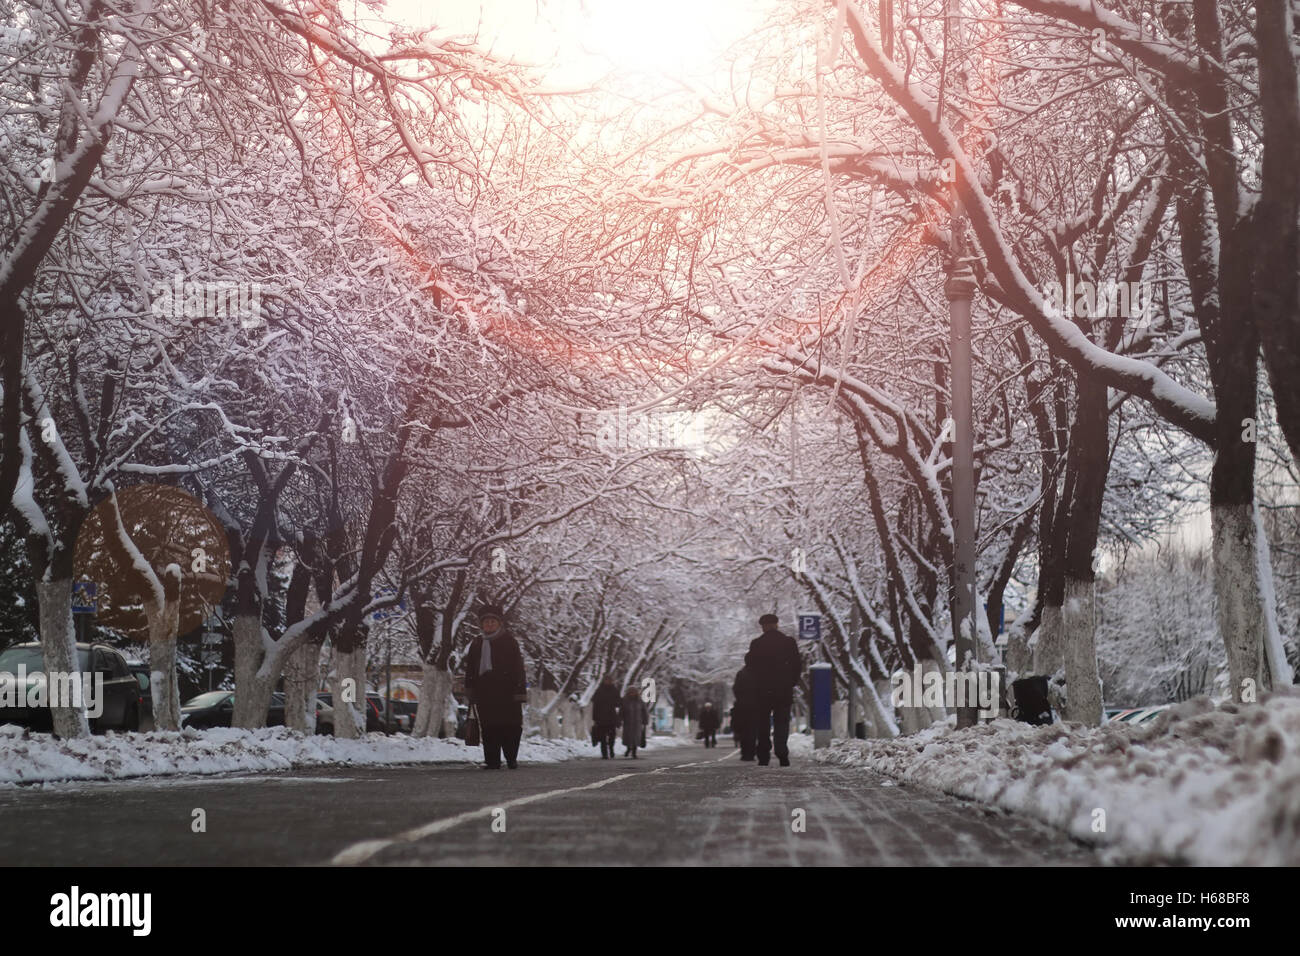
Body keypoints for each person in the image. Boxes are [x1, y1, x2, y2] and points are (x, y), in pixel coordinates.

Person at [463, 603, 527, 770]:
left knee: (510, 727)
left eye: (493, 621)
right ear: (482, 624)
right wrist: (470, 690)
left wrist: (519, 692)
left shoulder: (509, 641)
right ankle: (492, 761)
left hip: (507, 693)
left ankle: (511, 758)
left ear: (499, 623)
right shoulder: (477, 643)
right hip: (485, 693)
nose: (489, 624)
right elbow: (470, 668)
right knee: (489, 727)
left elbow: (518, 667)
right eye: (486, 622)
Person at [744, 613, 801, 766]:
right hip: (783, 690)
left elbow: (749, 666)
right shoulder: (788, 642)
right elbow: (797, 664)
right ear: (777, 624)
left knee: (762, 722)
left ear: (763, 626)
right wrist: (791, 682)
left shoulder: (756, 644)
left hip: (762, 691)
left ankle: (763, 755)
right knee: (781, 721)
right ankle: (782, 752)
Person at [591, 674, 621, 759]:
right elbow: (595, 704)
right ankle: (604, 753)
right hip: (601, 717)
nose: (608, 682)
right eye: (606, 680)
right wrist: (595, 717)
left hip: (611, 717)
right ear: (604, 681)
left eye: (609, 680)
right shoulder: (599, 690)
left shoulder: (614, 690)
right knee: (602, 737)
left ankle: (611, 749)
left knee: (612, 736)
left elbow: (618, 702)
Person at [732, 664, 756, 760]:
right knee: (752, 731)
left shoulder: (741, 673)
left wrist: (739, 699)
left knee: (744, 731)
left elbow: (735, 689)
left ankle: (744, 753)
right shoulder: (758, 673)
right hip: (755, 706)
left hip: (742, 707)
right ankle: (751, 752)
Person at [621, 685, 647, 758]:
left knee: (636, 737)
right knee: (628, 737)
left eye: (634, 692)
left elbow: (644, 711)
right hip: (628, 722)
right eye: (631, 692)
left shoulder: (640, 701)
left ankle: (634, 752)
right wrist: (620, 719)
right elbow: (621, 711)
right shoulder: (625, 701)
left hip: (637, 722)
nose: (632, 693)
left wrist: (645, 721)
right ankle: (628, 749)